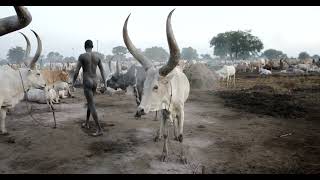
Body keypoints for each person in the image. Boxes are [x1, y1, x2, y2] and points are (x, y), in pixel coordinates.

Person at [72, 40, 107, 137]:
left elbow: (76, 71)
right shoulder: (97, 57)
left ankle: (99, 129)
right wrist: (105, 83)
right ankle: (87, 122)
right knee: (90, 102)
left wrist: (72, 83)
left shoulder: (82, 56)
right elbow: (102, 71)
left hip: (87, 81)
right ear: (92, 47)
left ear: (85, 47)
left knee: (91, 104)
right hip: (95, 81)